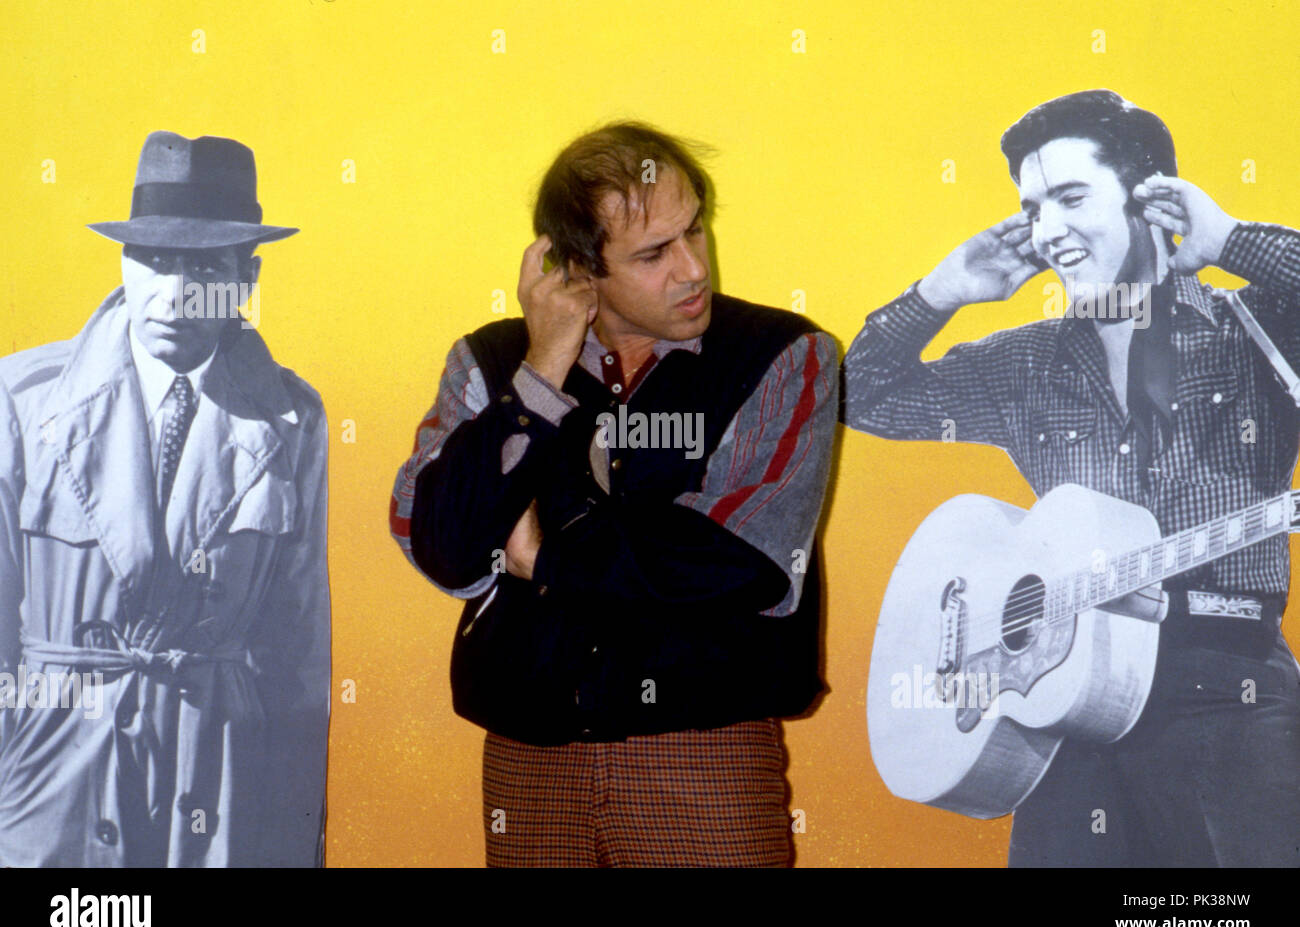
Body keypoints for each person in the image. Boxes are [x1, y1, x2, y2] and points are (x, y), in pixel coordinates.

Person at [843, 90, 1300, 866]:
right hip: (1065, 707)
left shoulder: (1250, 328)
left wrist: (1229, 240)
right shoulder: (1028, 361)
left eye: (1070, 197)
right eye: (1031, 205)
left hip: (1225, 687)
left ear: (1152, 198)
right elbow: (861, 393)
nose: (1047, 229)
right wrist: (943, 291)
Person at [390, 122, 837, 867]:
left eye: (695, 230)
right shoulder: (492, 360)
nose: (694, 268)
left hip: (703, 752)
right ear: (574, 267)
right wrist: (540, 376)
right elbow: (440, 542)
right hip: (527, 755)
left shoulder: (785, 354)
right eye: (654, 253)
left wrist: (544, 556)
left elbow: (744, 559)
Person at [0, 131, 331, 866]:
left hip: (217, 773)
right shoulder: (22, 402)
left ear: (247, 277)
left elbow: (298, 654)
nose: (174, 297)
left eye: (207, 267)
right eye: (154, 261)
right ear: (123, 259)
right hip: (53, 774)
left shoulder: (291, 418)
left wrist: (293, 835)